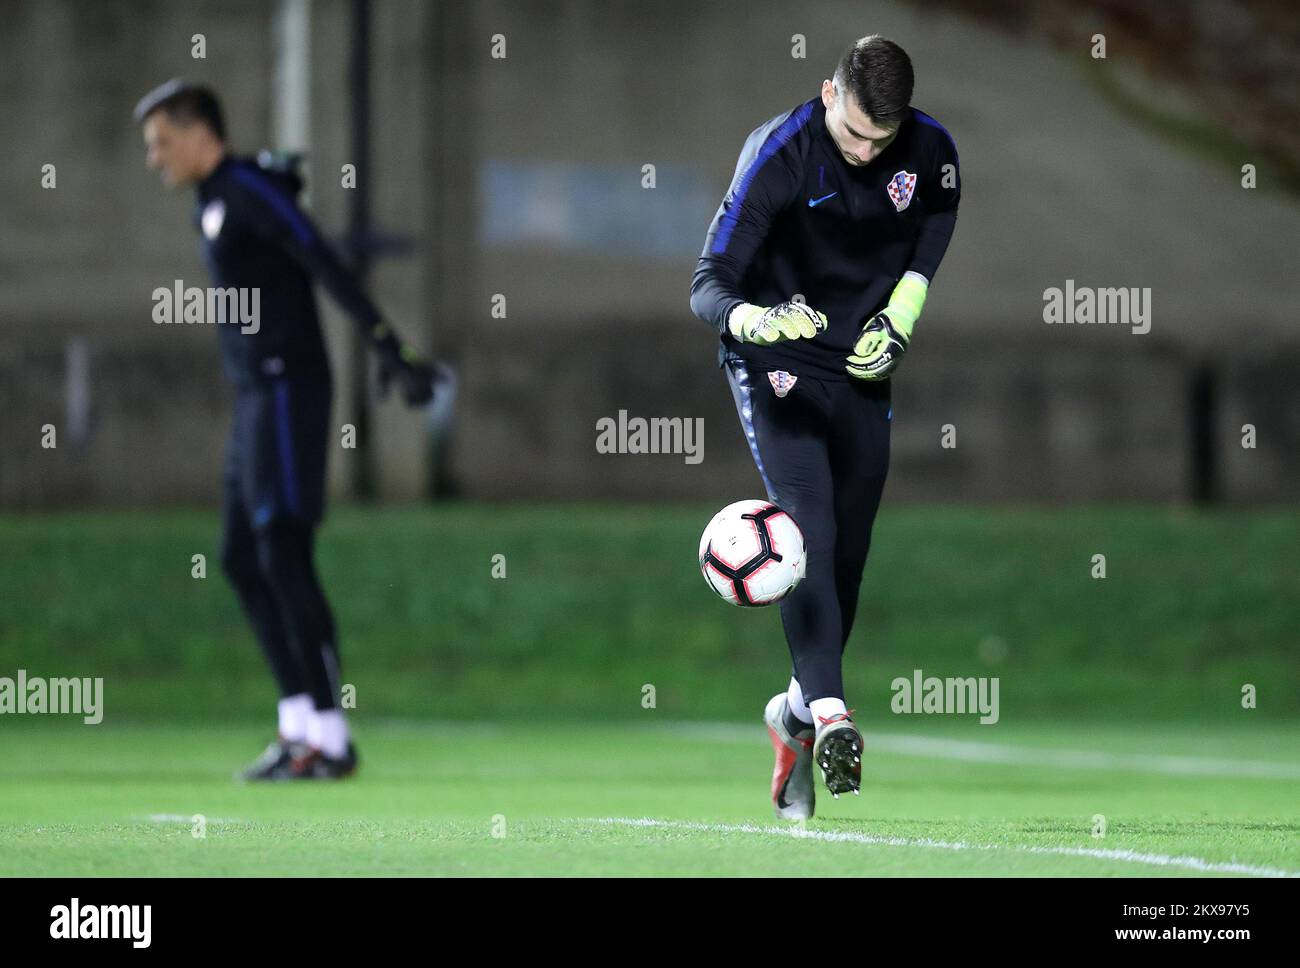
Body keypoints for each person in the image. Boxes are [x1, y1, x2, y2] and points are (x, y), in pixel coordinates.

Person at [690, 37, 961, 817]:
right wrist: (758, 321)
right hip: (775, 356)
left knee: (848, 558)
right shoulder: (779, 154)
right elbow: (708, 285)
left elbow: (937, 216)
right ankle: (836, 716)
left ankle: (796, 716)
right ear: (827, 93)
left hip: (862, 364)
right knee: (805, 529)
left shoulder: (931, 149)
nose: (867, 153)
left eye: (882, 141)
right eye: (853, 136)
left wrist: (903, 314)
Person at [135, 78, 435, 780]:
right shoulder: (208, 203)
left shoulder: (249, 189)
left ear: (201, 134)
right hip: (252, 397)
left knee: (282, 547)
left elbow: (323, 260)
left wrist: (392, 347)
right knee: (241, 556)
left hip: (289, 390)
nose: (154, 158)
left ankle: (332, 737)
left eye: (161, 143)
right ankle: (298, 727)